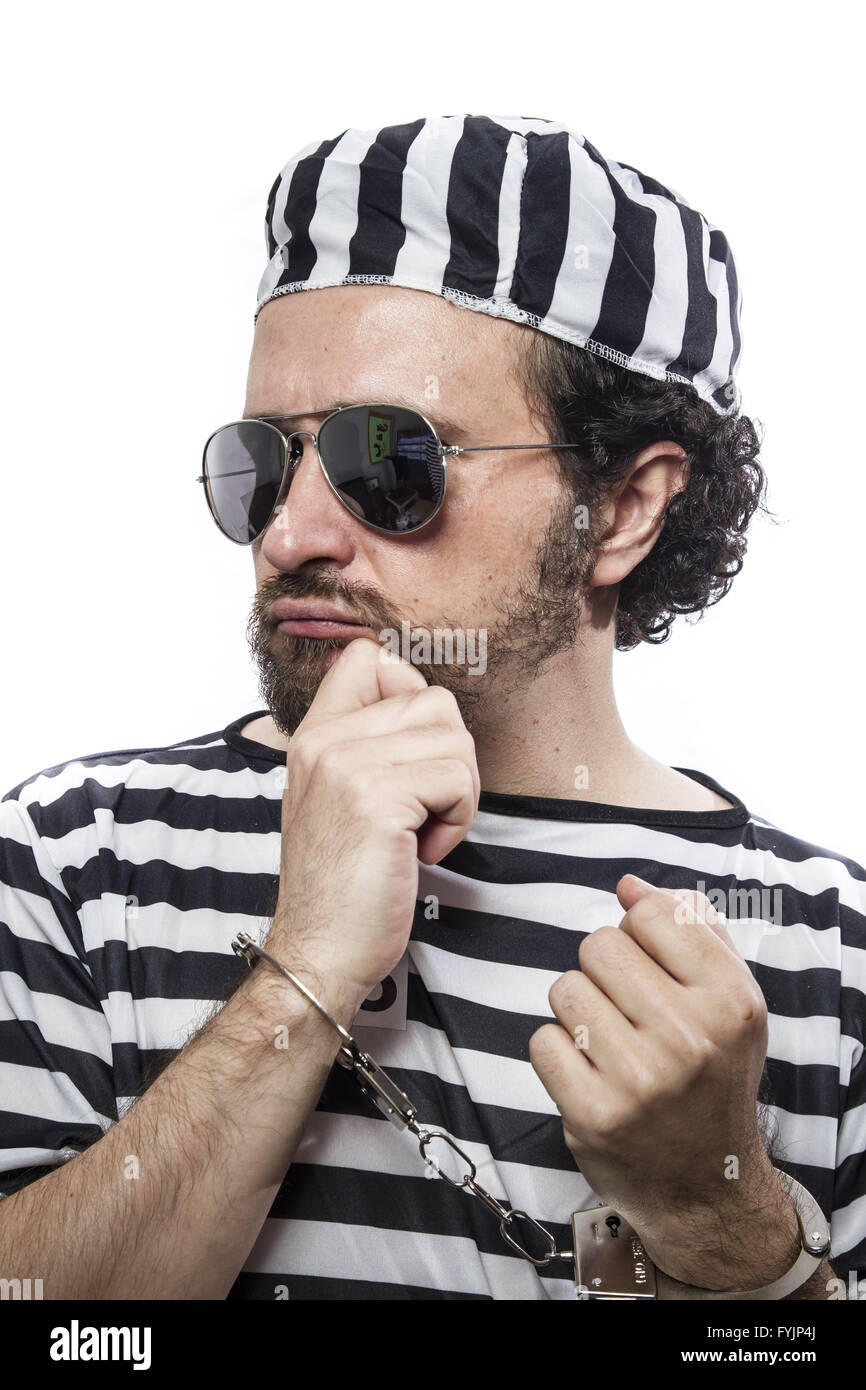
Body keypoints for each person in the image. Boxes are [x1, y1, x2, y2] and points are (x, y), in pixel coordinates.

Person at [0, 114, 863, 1302]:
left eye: (388, 460)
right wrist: (299, 972)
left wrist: (724, 1227)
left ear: (619, 510)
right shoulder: (80, 857)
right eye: (263, 461)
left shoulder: (827, 949)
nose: (290, 534)